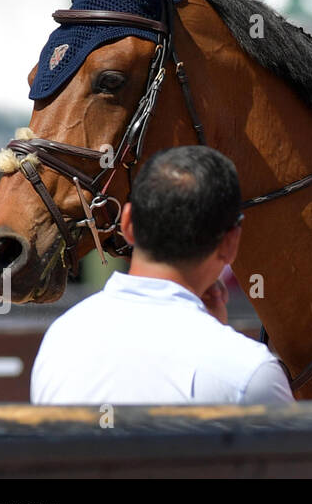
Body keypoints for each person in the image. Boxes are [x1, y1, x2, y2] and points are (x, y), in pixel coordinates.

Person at [31, 146, 293, 405]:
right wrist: (217, 335)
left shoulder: (60, 340)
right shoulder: (252, 374)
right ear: (231, 243)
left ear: (128, 224)